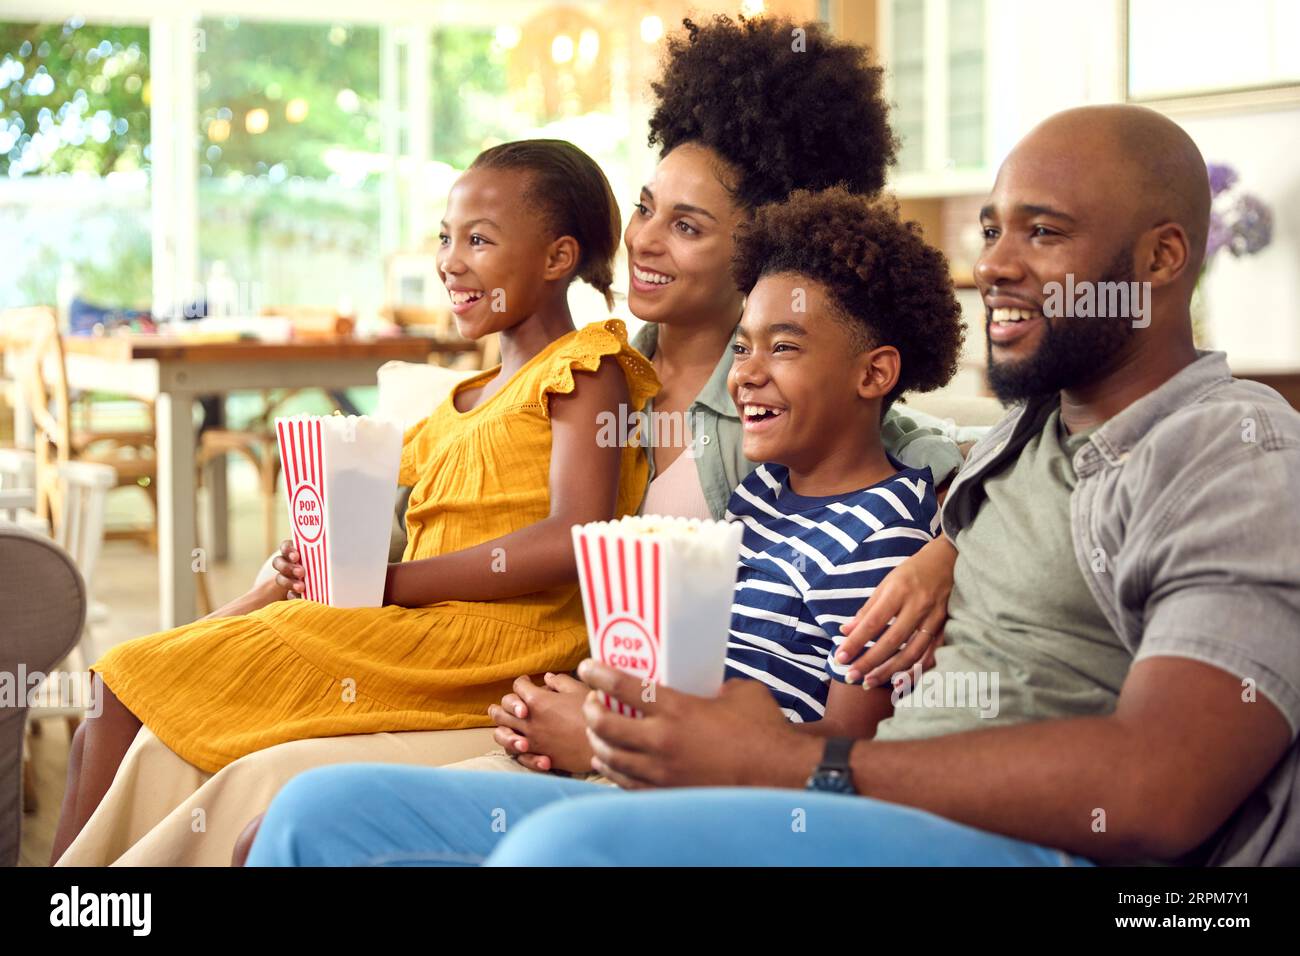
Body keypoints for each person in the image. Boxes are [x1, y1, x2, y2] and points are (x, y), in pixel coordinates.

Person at [254, 104, 1300, 868]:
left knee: (568, 851)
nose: (994, 264)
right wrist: (949, 548)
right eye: (990, 229)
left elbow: (1155, 789)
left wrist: (785, 761)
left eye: (1043, 230)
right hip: (858, 794)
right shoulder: (1022, 436)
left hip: (1006, 839)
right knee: (321, 812)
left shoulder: (1232, 449)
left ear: (1161, 257)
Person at [246, 186, 973, 865]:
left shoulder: (885, 539)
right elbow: (696, 675)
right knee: (301, 812)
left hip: (704, 814)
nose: (747, 372)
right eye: (743, 346)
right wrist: (590, 707)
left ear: (874, 375)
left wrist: (604, 740)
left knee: (317, 822)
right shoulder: (762, 497)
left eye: (783, 346)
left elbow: (847, 761)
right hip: (636, 773)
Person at [49, 138, 659, 864]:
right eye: (445, 237)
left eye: (480, 240)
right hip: (413, 628)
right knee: (114, 690)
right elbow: (372, 506)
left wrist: (391, 584)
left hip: (489, 647)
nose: (450, 261)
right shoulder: (461, 401)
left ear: (558, 258)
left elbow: (574, 535)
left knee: (122, 692)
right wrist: (309, 562)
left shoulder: (585, 369)